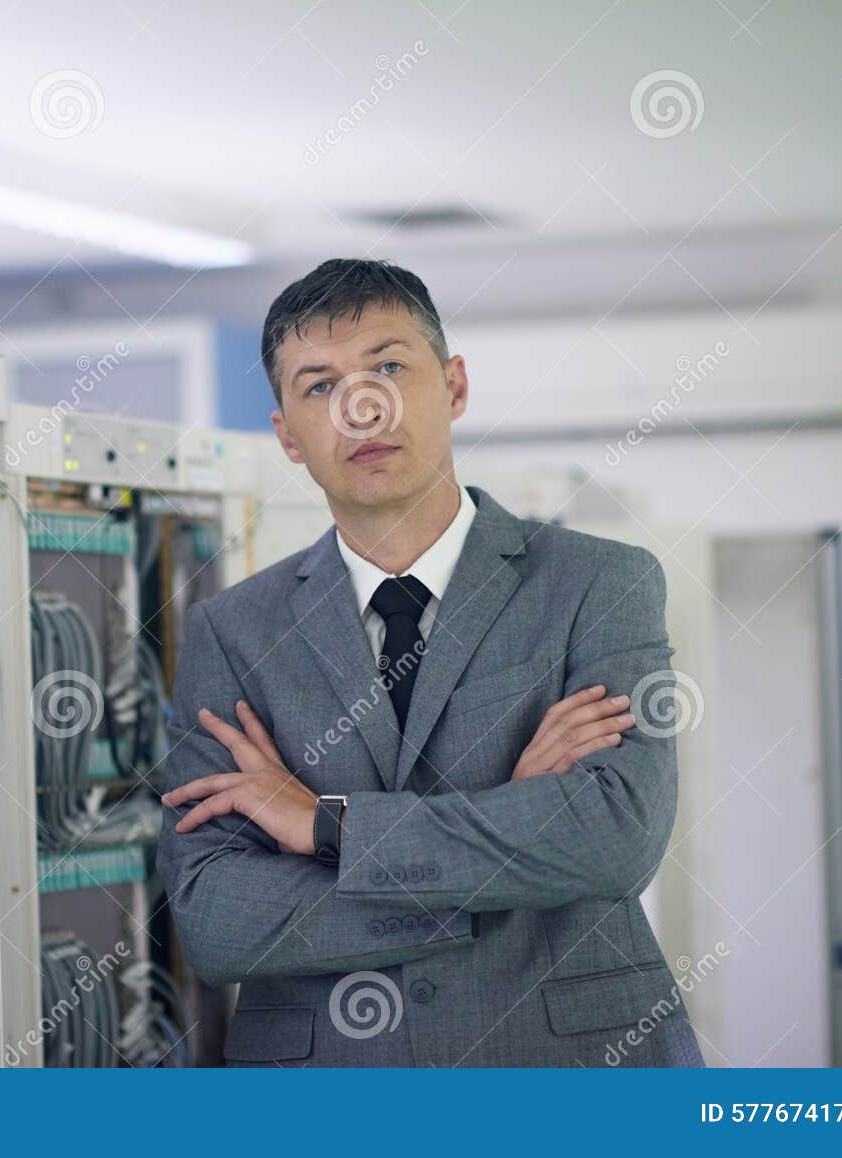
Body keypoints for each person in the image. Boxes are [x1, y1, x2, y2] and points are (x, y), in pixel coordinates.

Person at [154, 258, 704, 1067]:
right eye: (320, 386)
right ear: (287, 437)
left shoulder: (598, 583)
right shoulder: (234, 631)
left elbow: (616, 837)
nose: (361, 408)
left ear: (453, 387)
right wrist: (510, 833)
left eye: (387, 368)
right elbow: (217, 920)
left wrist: (326, 824)